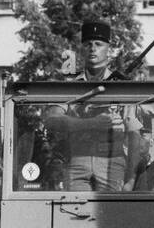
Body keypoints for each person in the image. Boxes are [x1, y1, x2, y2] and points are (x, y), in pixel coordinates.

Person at [43, 21, 145, 192]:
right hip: (77, 160)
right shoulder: (71, 85)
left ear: (109, 50)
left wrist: (131, 179)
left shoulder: (121, 87)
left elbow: (134, 134)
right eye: (88, 44)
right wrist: (92, 123)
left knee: (112, 215)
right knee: (73, 213)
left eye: (98, 44)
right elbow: (52, 119)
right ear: (82, 49)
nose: (92, 48)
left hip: (112, 162)